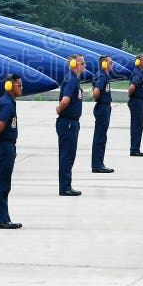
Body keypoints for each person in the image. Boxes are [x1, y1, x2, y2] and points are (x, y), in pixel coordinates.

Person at [0, 74, 23, 229]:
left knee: (4, 185)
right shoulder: (7, 104)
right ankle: (0, 219)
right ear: (10, 86)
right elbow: (0, 125)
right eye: (19, 85)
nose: (22, 88)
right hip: (3, 147)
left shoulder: (8, 102)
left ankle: (3, 217)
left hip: (6, 146)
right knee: (1, 185)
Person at [56, 54, 85, 195]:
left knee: (69, 154)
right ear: (74, 64)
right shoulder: (71, 80)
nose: (84, 66)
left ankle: (66, 185)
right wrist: (59, 109)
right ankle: (65, 187)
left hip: (71, 122)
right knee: (67, 155)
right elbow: (65, 100)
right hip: (68, 122)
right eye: (82, 63)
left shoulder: (74, 80)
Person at [91, 55, 115, 172]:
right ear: (104, 64)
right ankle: (97, 165)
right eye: (110, 63)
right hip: (102, 107)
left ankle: (98, 164)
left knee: (101, 136)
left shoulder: (104, 76)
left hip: (104, 107)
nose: (112, 64)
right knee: (100, 137)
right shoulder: (101, 76)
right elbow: (96, 92)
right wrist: (99, 101)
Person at [127, 54, 143, 157]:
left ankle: (136, 148)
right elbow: (132, 87)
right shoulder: (138, 74)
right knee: (137, 126)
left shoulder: (139, 73)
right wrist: (131, 96)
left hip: (138, 101)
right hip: (137, 102)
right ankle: (135, 149)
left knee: (138, 125)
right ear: (138, 63)